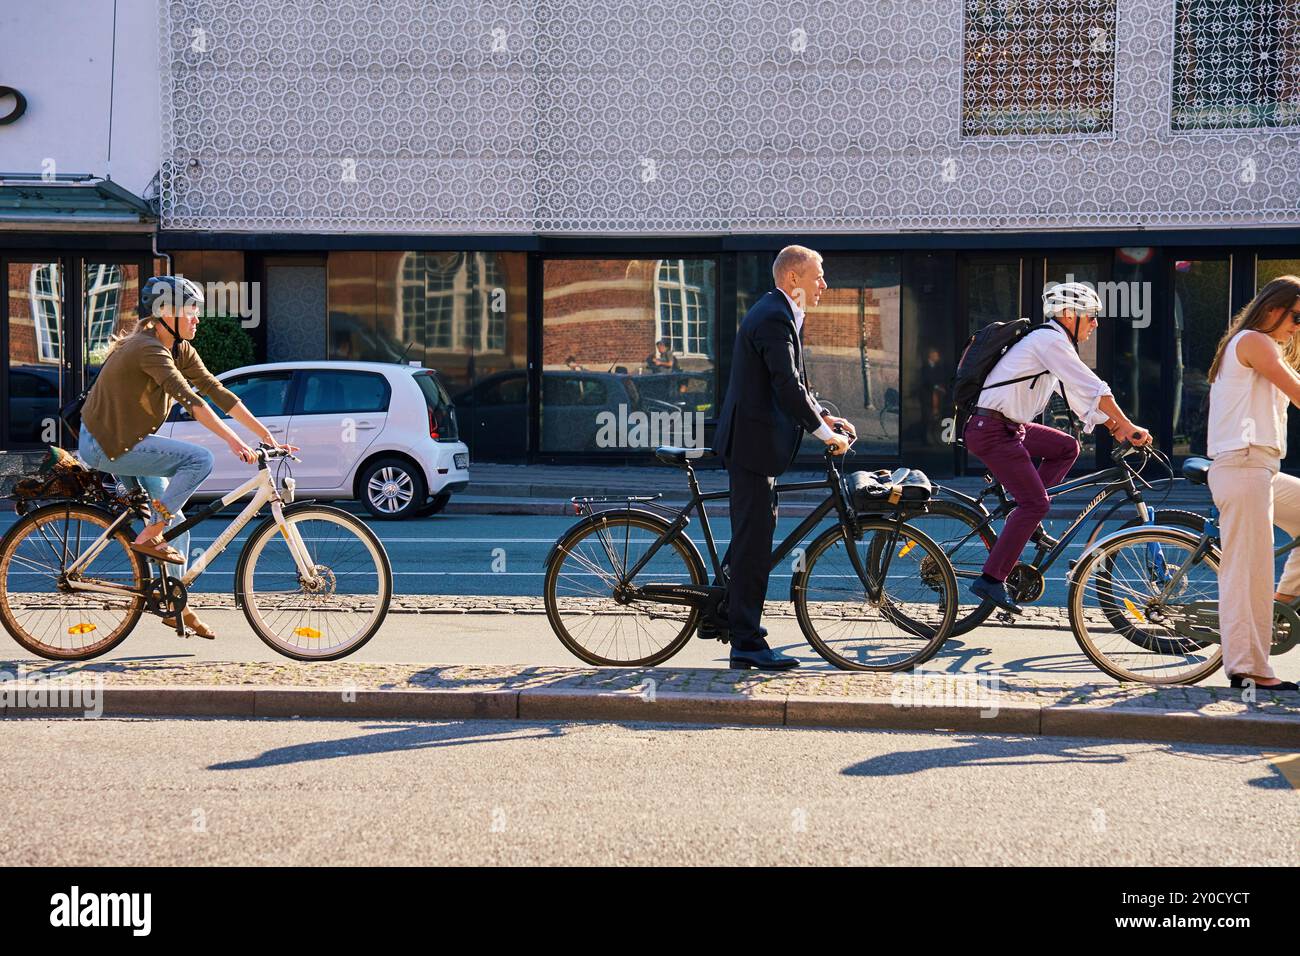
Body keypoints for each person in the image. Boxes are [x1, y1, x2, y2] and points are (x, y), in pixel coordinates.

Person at [77, 276, 298, 639]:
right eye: (190, 310)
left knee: (175, 520)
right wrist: (231, 441)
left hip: (126, 440)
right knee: (199, 460)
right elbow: (190, 400)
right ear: (166, 314)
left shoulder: (178, 348)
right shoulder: (148, 349)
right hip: (107, 445)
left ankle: (173, 604)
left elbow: (214, 389)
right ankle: (150, 534)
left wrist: (262, 433)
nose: (197, 318)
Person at [964, 281, 1151, 614]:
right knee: (1036, 503)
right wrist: (1129, 425)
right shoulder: (1048, 340)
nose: (1096, 323)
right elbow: (1092, 385)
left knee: (1066, 447)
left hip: (1008, 427)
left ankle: (1027, 518)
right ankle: (991, 579)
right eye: (1092, 316)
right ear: (1069, 314)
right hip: (992, 430)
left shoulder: (1053, 343)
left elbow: (1080, 398)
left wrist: (1115, 428)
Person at [710, 245, 852, 670]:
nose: (824, 283)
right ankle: (746, 644)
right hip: (752, 448)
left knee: (752, 540)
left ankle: (726, 614)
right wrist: (824, 434)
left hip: (754, 446)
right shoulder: (775, 315)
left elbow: (791, 383)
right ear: (793, 278)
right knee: (754, 546)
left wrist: (825, 415)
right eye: (818, 275)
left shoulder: (780, 311)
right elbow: (785, 384)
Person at [1205, 275, 1300, 692]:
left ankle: (1281, 605)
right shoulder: (1254, 341)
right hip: (1243, 467)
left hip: (1259, 467)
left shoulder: (1263, 344)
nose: (1298, 326)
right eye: (1297, 317)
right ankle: (1249, 669)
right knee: (1248, 573)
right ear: (1273, 307)